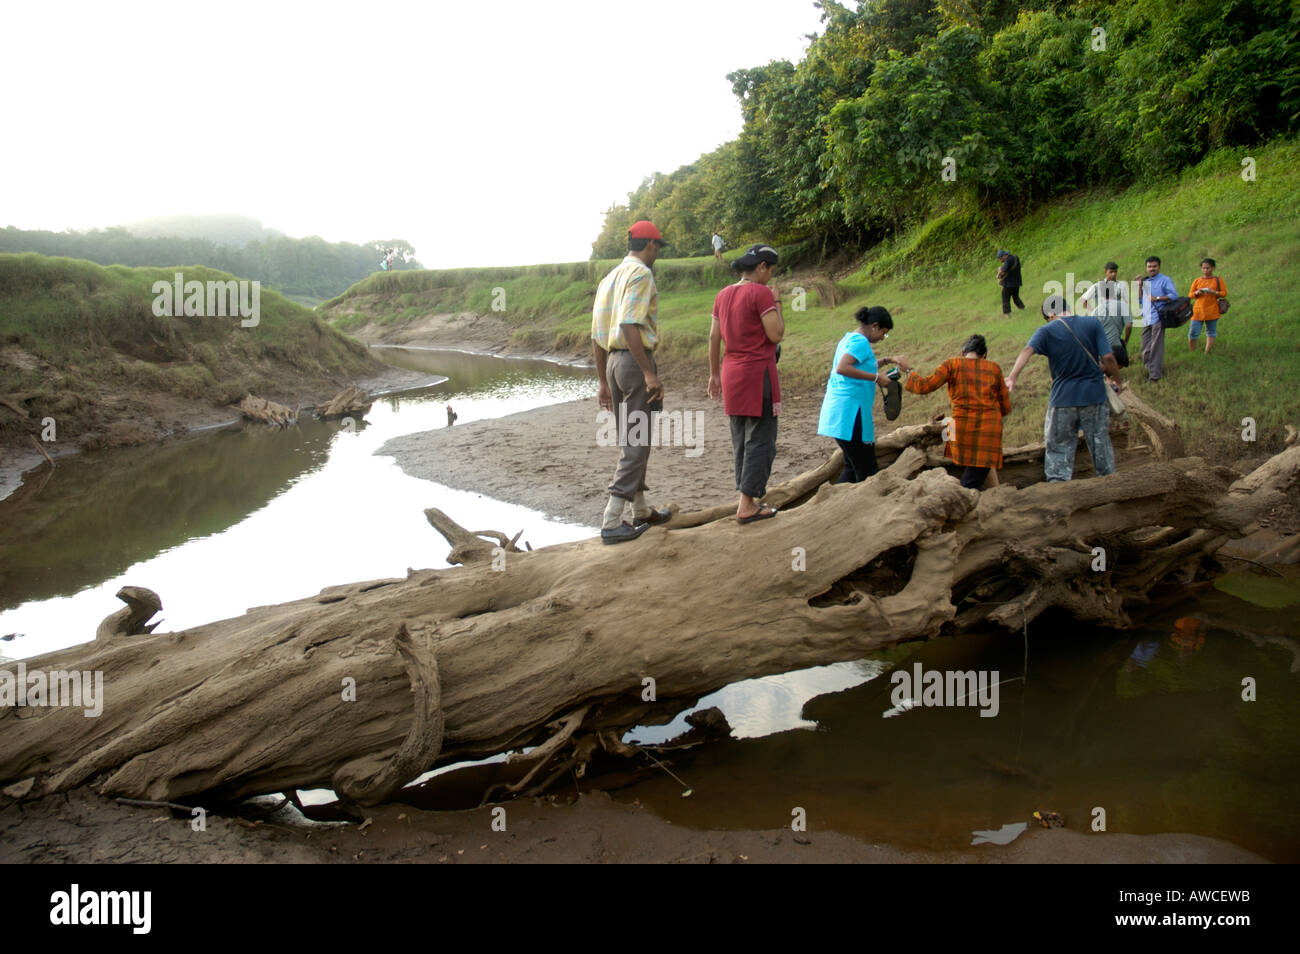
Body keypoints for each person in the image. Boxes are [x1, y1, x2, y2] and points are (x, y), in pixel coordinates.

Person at [591, 220, 673, 544]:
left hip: (612, 364)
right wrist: (649, 373)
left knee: (631, 439)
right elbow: (628, 324)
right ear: (650, 245)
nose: (657, 254)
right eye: (658, 248)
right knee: (637, 441)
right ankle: (611, 519)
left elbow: (597, 336)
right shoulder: (641, 274)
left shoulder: (609, 278)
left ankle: (640, 509)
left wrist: (601, 381)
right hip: (633, 363)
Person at [1004, 295, 1123, 481]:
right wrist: (1117, 380)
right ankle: (1109, 484)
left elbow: (1027, 350)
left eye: (1047, 317)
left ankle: (1058, 489)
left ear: (1051, 313)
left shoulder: (1046, 330)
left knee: (1058, 450)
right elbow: (1108, 357)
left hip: (1062, 400)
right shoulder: (1092, 323)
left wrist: (1012, 376)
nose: (1047, 321)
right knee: (1100, 445)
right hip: (1094, 397)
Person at [708, 244, 784, 522]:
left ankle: (745, 497)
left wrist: (713, 373)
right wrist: (777, 302)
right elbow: (775, 335)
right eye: (770, 270)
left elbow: (714, 338)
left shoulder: (723, 294)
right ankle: (747, 504)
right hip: (757, 374)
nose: (770, 276)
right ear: (762, 267)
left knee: (740, 437)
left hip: (731, 372)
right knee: (762, 438)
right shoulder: (760, 293)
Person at [895, 334, 1012, 490]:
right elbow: (1005, 407)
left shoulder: (952, 364)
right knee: (979, 468)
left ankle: (991, 493)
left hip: (960, 429)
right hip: (988, 431)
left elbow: (924, 386)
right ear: (984, 355)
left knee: (976, 467)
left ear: (963, 353)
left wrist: (909, 370)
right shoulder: (994, 368)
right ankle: (971, 495)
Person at [816, 306, 900, 483]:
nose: (882, 338)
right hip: (850, 412)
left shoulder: (849, 338)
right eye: (883, 333)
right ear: (875, 326)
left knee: (852, 467)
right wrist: (877, 378)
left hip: (841, 410)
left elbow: (859, 365)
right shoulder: (861, 342)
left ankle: (835, 504)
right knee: (866, 469)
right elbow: (843, 368)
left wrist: (887, 361)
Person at [1078, 262, 1133, 367]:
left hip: (1116, 317)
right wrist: (1093, 310)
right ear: (1106, 272)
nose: (1113, 274)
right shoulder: (1097, 286)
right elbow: (1083, 300)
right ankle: (1109, 366)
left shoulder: (1120, 285)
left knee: (1111, 341)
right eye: (1111, 272)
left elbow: (1125, 302)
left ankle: (1111, 366)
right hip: (1101, 317)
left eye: (1115, 272)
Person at [1135, 255, 1176, 382]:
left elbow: (1173, 296)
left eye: (1154, 266)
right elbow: (1140, 300)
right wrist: (1139, 285)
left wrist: (1157, 298)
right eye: (1149, 266)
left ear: (1159, 267)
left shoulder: (1165, 280)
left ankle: (1155, 376)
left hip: (1158, 317)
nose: (1151, 269)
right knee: (1145, 347)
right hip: (1147, 318)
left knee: (1156, 347)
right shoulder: (1146, 281)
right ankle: (1150, 369)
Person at [1188, 257, 1226, 355]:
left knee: (1211, 332)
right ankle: (1192, 352)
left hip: (1212, 310)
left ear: (1213, 268)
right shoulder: (1197, 280)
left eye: (1207, 268)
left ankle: (1207, 352)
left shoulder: (1218, 280)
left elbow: (1224, 293)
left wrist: (1215, 292)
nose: (1205, 270)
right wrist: (1197, 293)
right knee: (1193, 332)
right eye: (1203, 268)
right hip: (1198, 310)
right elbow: (1190, 295)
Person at [996, 249, 1025, 316]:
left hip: (1009, 283)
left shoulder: (1008, 261)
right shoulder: (1015, 257)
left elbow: (1003, 271)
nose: (1000, 260)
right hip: (1017, 282)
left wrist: (998, 275)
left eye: (1000, 258)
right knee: (1015, 296)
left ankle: (1007, 314)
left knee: (1005, 298)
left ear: (1004, 256)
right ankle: (1022, 308)